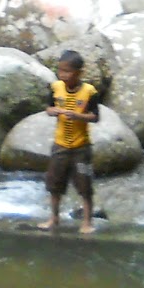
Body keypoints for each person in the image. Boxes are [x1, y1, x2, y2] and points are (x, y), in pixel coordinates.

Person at [42, 49, 99, 234]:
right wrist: (53, 111)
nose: (63, 75)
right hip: (60, 146)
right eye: (60, 71)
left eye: (67, 71)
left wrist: (78, 116)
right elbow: (48, 107)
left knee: (84, 185)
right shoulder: (55, 87)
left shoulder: (89, 92)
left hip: (81, 148)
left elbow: (95, 117)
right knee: (54, 184)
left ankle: (87, 222)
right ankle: (54, 218)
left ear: (79, 73)